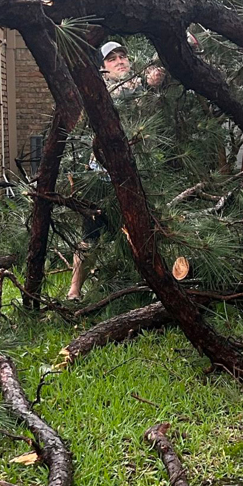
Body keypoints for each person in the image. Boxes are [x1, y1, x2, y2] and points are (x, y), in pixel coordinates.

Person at [67, 40, 166, 300]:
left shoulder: (139, 87)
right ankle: (74, 289)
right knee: (90, 233)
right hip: (101, 175)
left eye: (123, 56)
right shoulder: (99, 89)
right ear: (102, 68)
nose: (120, 61)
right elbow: (122, 96)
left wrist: (156, 77)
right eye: (111, 59)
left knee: (145, 229)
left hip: (136, 171)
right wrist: (146, 82)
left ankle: (152, 285)